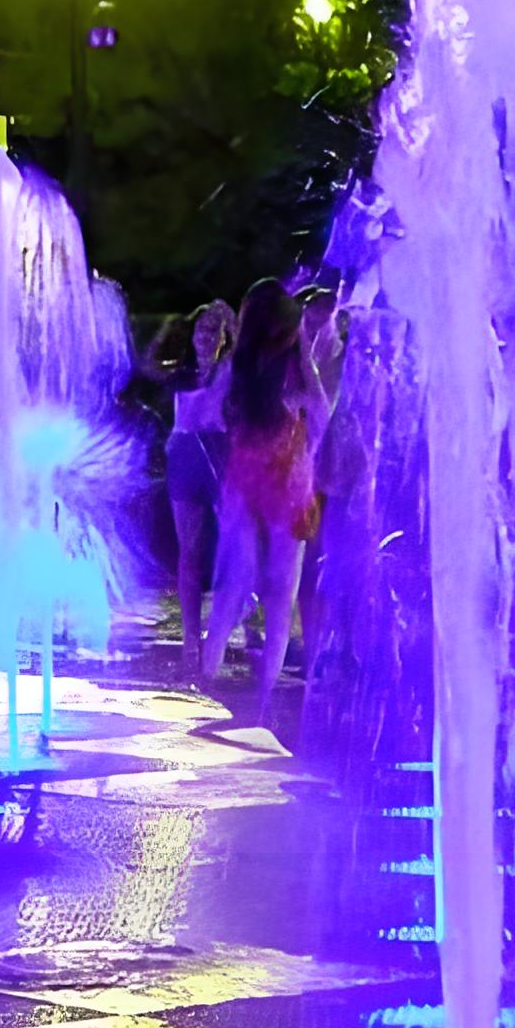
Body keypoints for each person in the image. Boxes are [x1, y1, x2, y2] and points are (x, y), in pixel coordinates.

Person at [198, 279, 329, 712]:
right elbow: (322, 413)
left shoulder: (246, 368)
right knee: (273, 598)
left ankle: (212, 683)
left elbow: (213, 419)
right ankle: (258, 699)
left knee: (238, 593)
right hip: (283, 487)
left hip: (257, 486)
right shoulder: (275, 368)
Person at [162, 300, 232, 663]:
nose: (205, 336)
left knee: (232, 544)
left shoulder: (230, 371)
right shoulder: (183, 372)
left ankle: (233, 615)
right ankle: (191, 638)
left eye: (213, 330)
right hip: (187, 455)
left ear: (224, 337)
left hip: (219, 452)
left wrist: (231, 320)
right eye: (201, 329)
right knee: (188, 551)